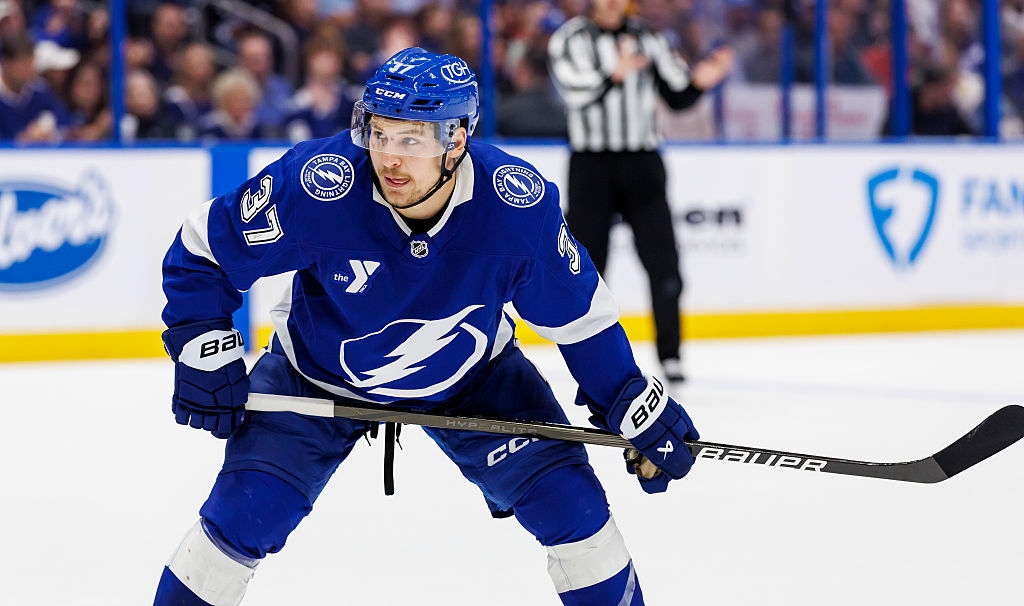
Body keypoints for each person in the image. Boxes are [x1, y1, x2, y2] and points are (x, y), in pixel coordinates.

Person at [154, 47, 700, 606]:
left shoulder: (514, 207)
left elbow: (580, 315)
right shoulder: (320, 184)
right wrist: (200, 339)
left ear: (456, 140)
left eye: (410, 139)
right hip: (314, 375)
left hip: (474, 381)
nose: (387, 157)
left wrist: (628, 397)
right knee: (240, 516)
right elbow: (203, 249)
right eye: (379, 132)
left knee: (576, 510)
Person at [548, 0, 734, 384]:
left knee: (663, 260)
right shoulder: (571, 39)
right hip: (592, 164)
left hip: (643, 163)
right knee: (587, 266)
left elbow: (677, 94)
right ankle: (587, 358)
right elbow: (574, 91)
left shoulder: (648, 37)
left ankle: (671, 355)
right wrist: (612, 74)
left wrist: (702, 80)